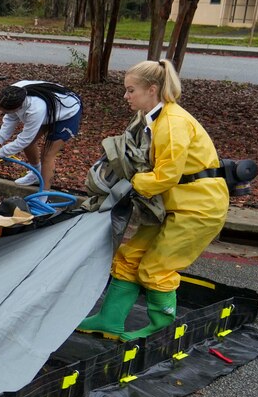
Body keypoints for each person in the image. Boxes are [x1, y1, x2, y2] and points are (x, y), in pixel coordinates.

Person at [78, 59, 228, 341]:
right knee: (129, 256)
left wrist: (132, 182)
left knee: (156, 268)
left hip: (198, 209)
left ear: (152, 89)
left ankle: (162, 330)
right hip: (172, 206)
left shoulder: (173, 123)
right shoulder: (152, 120)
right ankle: (109, 321)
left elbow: (166, 176)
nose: (126, 96)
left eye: (130, 90)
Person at [0, 80, 82, 189]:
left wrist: (0, 154)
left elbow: (24, 140)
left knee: (47, 155)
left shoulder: (36, 108)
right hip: (49, 109)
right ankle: (36, 174)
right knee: (30, 144)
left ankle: (43, 196)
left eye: (9, 111)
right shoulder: (11, 93)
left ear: (19, 107)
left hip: (67, 112)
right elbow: (10, 119)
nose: (5, 113)